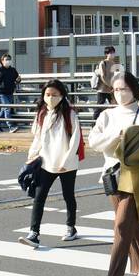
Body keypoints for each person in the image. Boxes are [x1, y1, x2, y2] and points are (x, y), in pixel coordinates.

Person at [87, 72, 139, 276]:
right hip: (112, 175)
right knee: (131, 224)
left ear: (134, 89)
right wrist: (116, 136)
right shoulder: (107, 115)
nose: (120, 93)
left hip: (136, 177)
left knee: (121, 225)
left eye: (124, 89)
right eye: (116, 89)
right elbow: (94, 142)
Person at [19, 79, 82, 247]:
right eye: (47, 94)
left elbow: (75, 140)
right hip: (46, 162)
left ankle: (71, 227)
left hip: (66, 163)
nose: (51, 98)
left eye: (54, 94)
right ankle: (34, 233)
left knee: (68, 196)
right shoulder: (42, 113)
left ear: (62, 95)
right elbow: (38, 137)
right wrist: (32, 155)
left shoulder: (70, 114)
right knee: (39, 197)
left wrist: (66, 160)